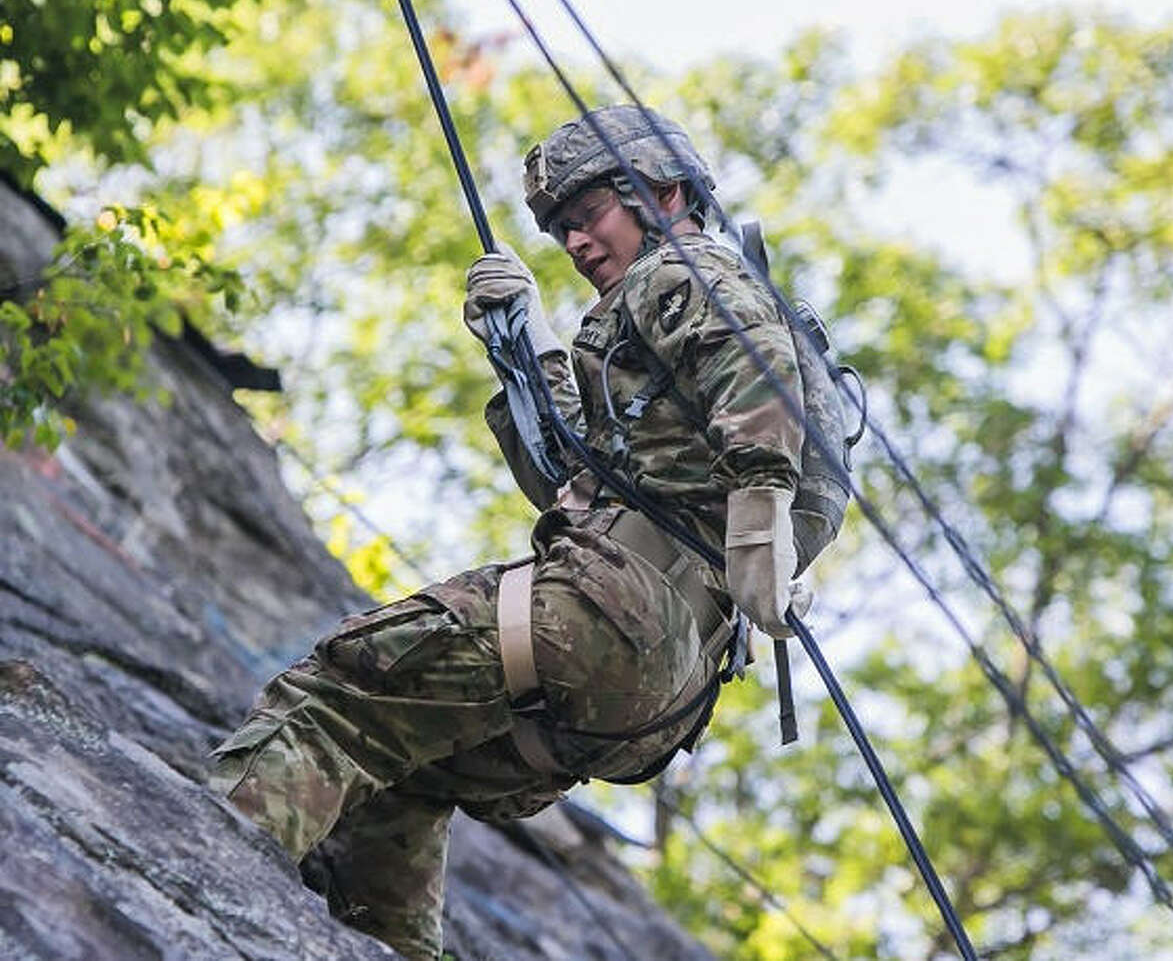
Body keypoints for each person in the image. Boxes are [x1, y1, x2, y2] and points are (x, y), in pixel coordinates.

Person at [209, 105, 829, 961]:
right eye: (561, 228)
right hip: (657, 697)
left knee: (338, 699)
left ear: (665, 193)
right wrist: (522, 348)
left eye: (589, 214)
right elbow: (576, 478)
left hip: (605, 610)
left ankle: (193, 888)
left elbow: (749, 360)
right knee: (410, 776)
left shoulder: (682, 272)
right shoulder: (647, 332)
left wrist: (760, 500)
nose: (574, 243)